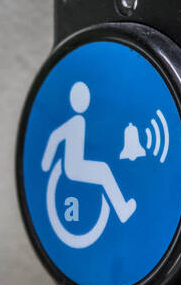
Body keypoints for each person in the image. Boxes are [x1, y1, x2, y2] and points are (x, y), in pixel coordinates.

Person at [41, 81, 136, 222]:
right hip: (74, 167)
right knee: (104, 171)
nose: (86, 101)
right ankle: (122, 209)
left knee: (104, 170)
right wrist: (46, 163)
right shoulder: (76, 121)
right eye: (83, 97)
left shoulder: (79, 121)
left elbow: (56, 137)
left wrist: (46, 163)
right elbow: (55, 137)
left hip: (76, 166)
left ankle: (122, 209)